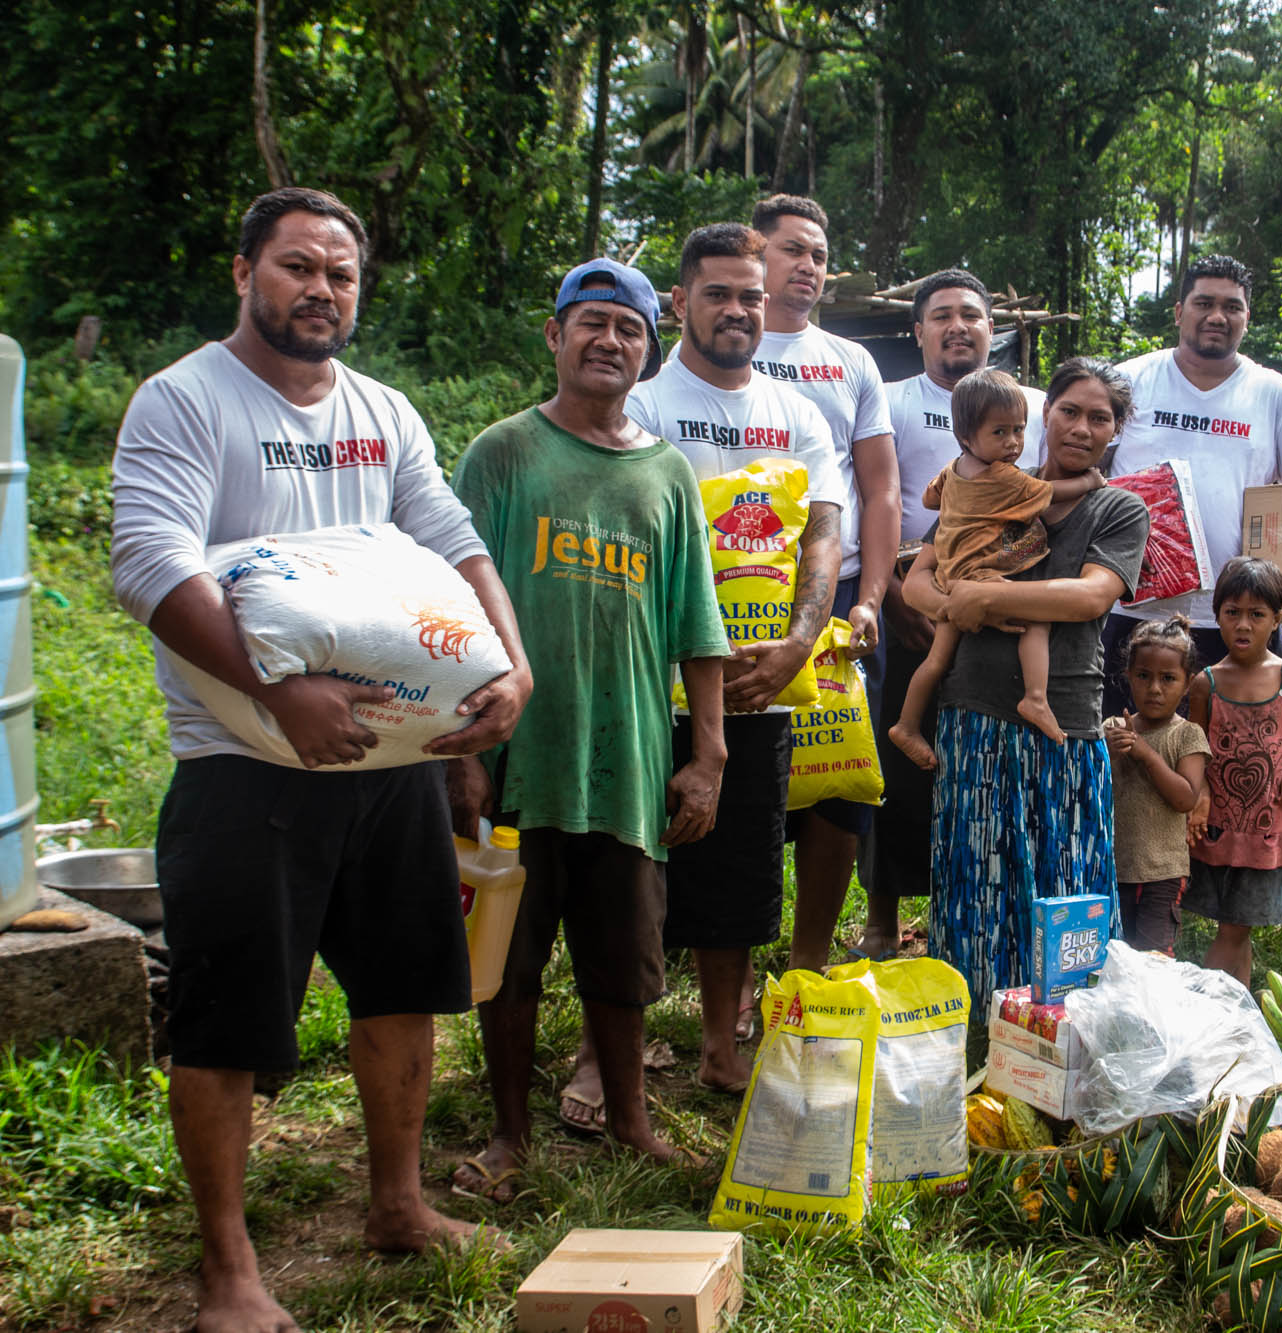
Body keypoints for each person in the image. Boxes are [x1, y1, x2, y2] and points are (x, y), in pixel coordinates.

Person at [110, 186, 531, 1333]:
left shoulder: (383, 410)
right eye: (298, 267)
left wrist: (512, 663)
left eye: (340, 275)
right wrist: (273, 688)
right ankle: (229, 1271)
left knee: (404, 988)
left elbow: (451, 539)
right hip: (243, 767)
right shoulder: (187, 400)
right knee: (231, 1018)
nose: (321, 291)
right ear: (244, 270)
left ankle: (397, 1205)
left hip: (384, 762)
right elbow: (149, 563)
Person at [445, 259, 731, 1200]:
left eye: (630, 329)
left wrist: (709, 753)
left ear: (649, 352)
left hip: (630, 764)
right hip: (519, 760)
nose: (610, 340)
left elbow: (697, 624)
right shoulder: (503, 454)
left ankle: (628, 1121)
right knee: (509, 962)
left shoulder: (666, 472)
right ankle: (510, 1133)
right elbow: (452, 603)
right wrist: (465, 755)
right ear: (555, 335)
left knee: (624, 960)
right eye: (592, 322)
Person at [618, 221, 842, 1092]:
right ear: (680, 302)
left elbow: (823, 536)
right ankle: (613, 1053)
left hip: (760, 684)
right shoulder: (641, 405)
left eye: (751, 294)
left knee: (745, 866)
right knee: (630, 868)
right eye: (718, 294)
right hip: (649, 681)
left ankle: (720, 1046)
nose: (739, 310)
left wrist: (797, 643)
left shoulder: (797, 414)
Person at [903, 356, 1148, 1015]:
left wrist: (986, 594)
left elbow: (1092, 595)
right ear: (1046, 413)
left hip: (1062, 714)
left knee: (1066, 874)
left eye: (1100, 417)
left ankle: (1071, 1019)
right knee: (976, 876)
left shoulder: (1117, 508)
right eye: (1069, 410)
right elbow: (918, 578)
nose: (1081, 427)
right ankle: (977, 1018)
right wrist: (959, 601)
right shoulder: (989, 485)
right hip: (973, 707)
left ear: (1116, 430)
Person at [854, 270, 1046, 959]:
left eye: (972, 312)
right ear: (919, 332)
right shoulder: (889, 399)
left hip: (1000, 602)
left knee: (975, 764)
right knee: (894, 768)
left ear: (995, 329)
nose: (957, 325)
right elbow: (874, 493)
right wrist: (898, 590)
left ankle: (959, 909)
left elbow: (1048, 496)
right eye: (941, 315)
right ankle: (881, 915)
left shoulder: (1034, 404)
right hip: (908, 604)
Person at [746, 194, 900, 978]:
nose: (807, 266)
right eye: (792, 250)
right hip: (731, 599)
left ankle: (806, 960)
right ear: (754, 255)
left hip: (835, 601)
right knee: (738, 777)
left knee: (837, 785)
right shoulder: (705, 353)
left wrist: (870, 597)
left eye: (818, 253)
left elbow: (878, 491)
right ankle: (731, 967)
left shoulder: (850, 361)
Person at [1102, 255, 1282, 716]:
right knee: (1125, 759)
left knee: (1240, 758)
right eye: (1204, 303)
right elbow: (1078, 457)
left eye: (1232, 306)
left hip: (1238, 618)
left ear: (1247, 318)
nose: (1218, 316)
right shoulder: (1130, 381)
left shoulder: (1272, 393)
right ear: (1179, 312)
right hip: (1132, 613)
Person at [889, 369, 1104, 766]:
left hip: (950, 576)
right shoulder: (1004, 478)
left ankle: (906, 723)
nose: (1012, 444)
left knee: (936, 661)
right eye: (1000, 433)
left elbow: (928, 499)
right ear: (966, 437)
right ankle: (1036, 698)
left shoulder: (955, 469)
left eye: (1018, 431)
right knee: (1036, 619)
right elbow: (1051, 493)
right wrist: (1090, 482)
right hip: (983, 572)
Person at [1186, 557, 1282, 984]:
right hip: (1217, 827)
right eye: (1232, 613)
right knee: (1235, 928)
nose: (1243, 626)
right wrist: (1200, 794)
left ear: (1277, 619)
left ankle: (1203, 1005)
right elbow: (1195, 747)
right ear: (1217, 616)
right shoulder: (1207, 683)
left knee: (1236, 929)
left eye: (1257, 614)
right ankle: (1238, 1007)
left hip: (1267, 828)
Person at [1103, 615, 1210, 954]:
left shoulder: (1187, 734)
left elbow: (1186, 798)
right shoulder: (1112, 727)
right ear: (1128, 677)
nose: (1154, 689)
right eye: (1143, 676)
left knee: (1152, 961)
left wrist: (1147, 755)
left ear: (1187, 682)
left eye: (1168, 678)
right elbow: (1090, 788)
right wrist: (1108, 753)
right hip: (1113, 867)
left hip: (1162, 873)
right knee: (1111, 957)